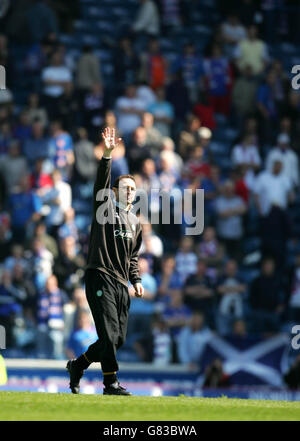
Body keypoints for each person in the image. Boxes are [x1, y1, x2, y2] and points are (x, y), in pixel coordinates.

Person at [66, 127, 144, 396]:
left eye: (133, 189)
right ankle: (110, 383)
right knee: (110, 337)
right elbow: (100, 182)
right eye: (124, 188)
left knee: (117, 340)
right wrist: (108, 155)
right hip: (99, 275)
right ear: (114, 191)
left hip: (122, 285)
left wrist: (137, 280)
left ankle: (78, 365)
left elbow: (133, 257)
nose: (129, 192)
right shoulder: (104, 210)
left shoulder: (136, 223)